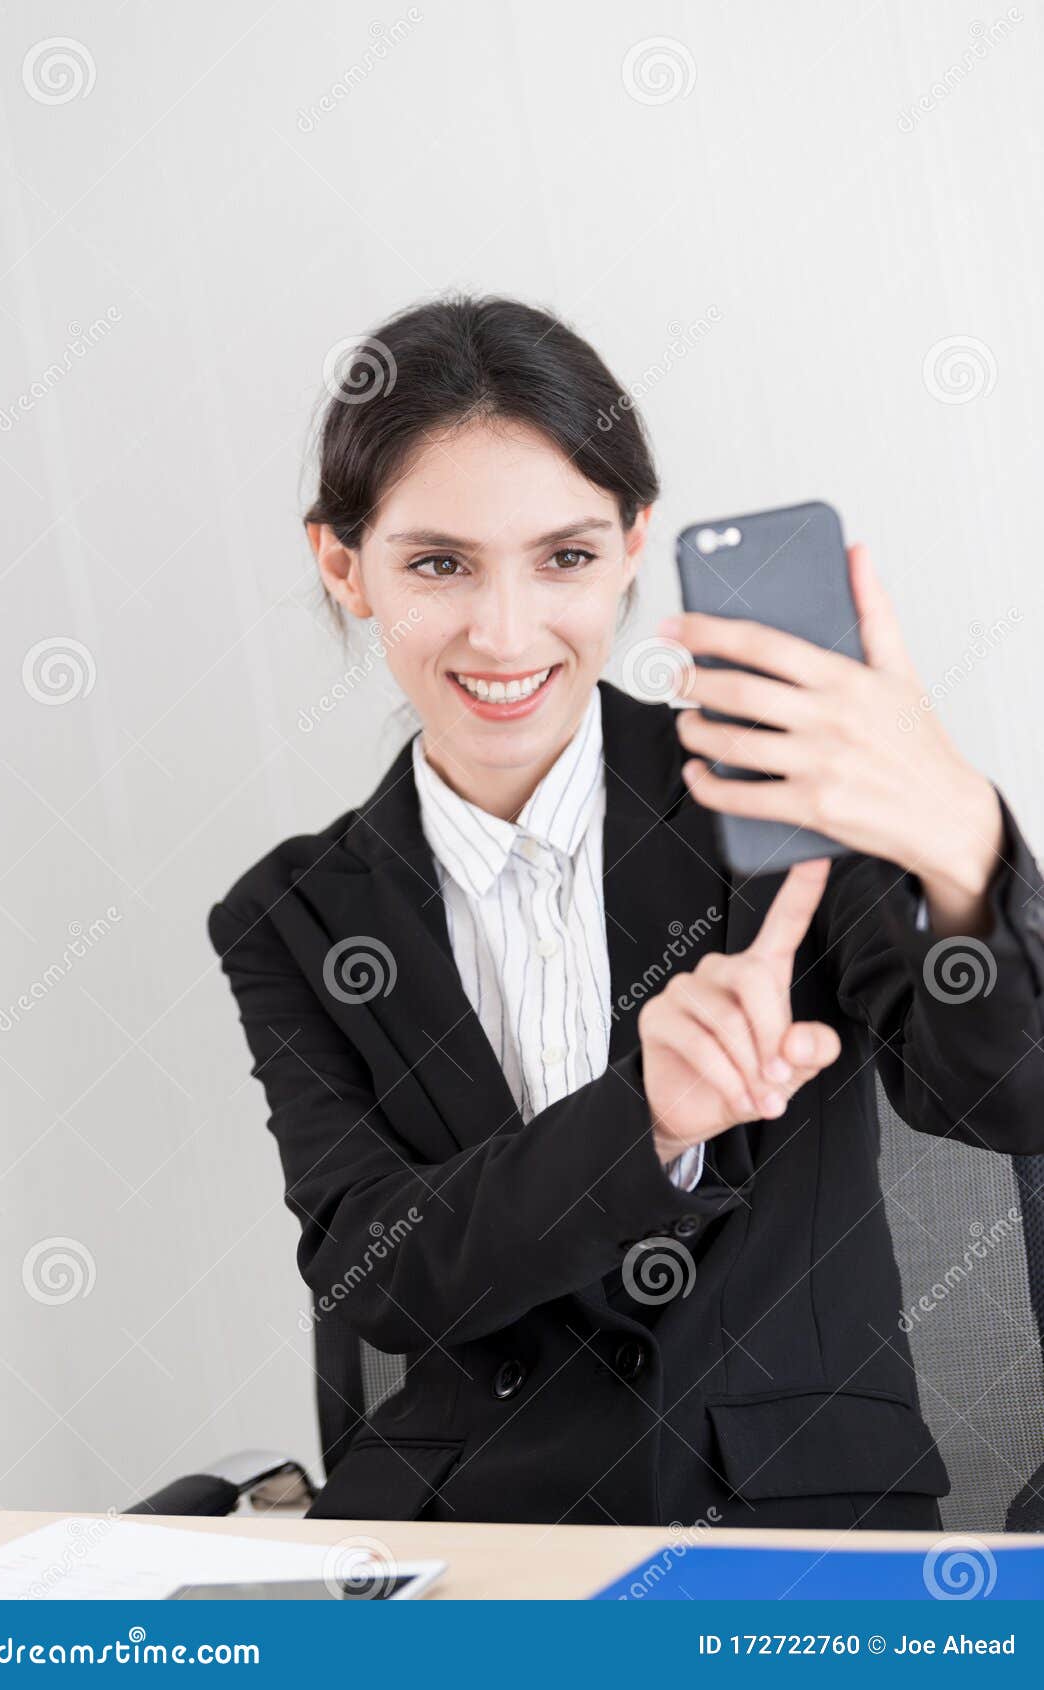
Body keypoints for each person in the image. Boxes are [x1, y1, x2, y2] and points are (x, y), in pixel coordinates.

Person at [208, 293, 1044, 1529]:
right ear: (345, 565)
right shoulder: (294, 914)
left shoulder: (776, 789)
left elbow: (1010, 1098)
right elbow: (373, 1272)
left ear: (633, 544)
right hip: (478, 1532)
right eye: (439, 563)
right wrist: (644, 1120)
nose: (506, 633)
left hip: (793, 1525)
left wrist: (964, 844)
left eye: (566, 557)